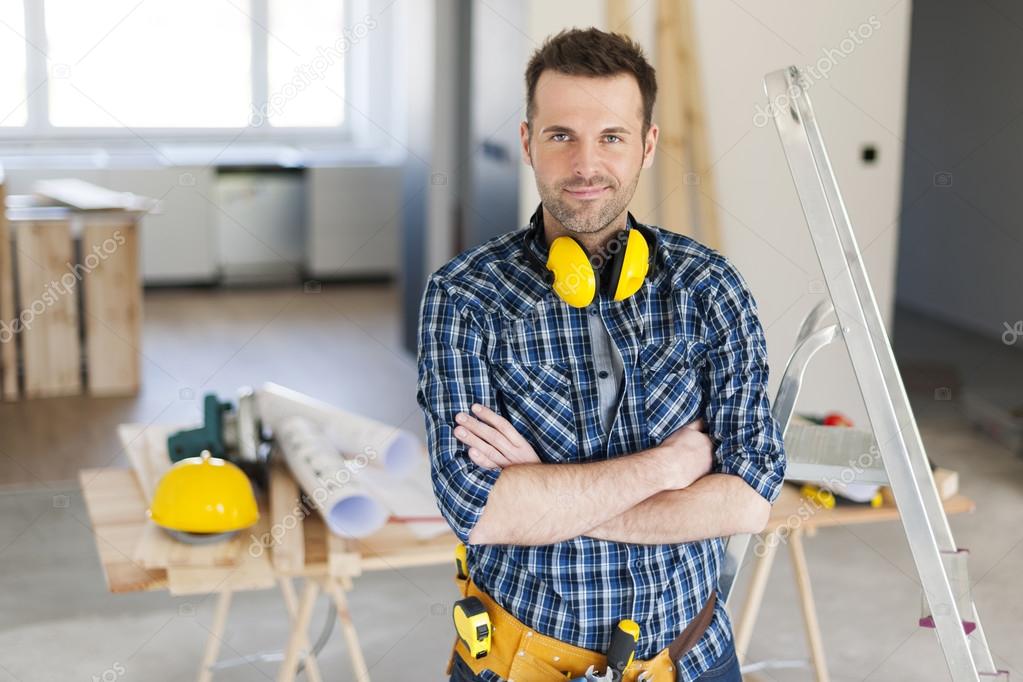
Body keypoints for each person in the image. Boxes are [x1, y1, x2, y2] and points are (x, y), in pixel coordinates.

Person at [416, 26, 785, 682]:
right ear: (528, 142)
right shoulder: (463, 295)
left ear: (646, 146)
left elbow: (748, 500)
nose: (585, 165)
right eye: (561, 135)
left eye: (610, 137)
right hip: (518, 663)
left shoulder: (709, 287)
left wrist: (549, 494)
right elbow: (479, 510)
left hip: (689, 657)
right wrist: (670, 465)